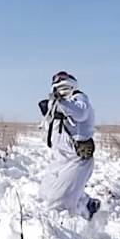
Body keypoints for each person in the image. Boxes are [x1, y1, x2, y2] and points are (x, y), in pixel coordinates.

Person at [38, 71, 101, 220]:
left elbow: (80, 113)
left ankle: (67, 234)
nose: (61, 92)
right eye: (58, 88)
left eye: (64, 87)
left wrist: (59, 103)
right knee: (45, 193)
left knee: (59, 202)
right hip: (60, 159)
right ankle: (87, 205)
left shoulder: (79, 99)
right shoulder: (60, 106)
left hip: (76, 160)